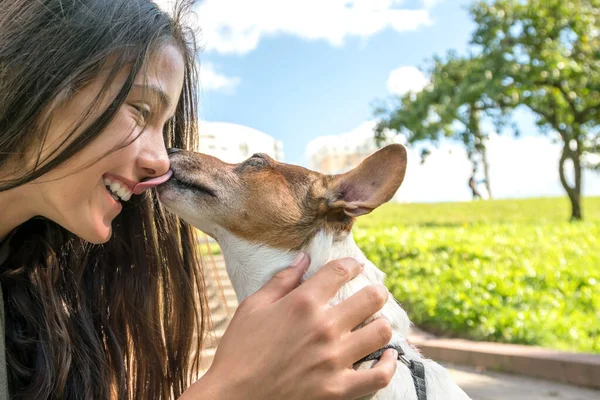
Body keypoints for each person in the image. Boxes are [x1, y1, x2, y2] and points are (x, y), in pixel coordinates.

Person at [0, 1, 397, 399]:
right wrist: (234, 386)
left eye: (164, 125)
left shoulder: (40, 302)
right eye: (140, 110)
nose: (160, 161)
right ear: (40, 74)